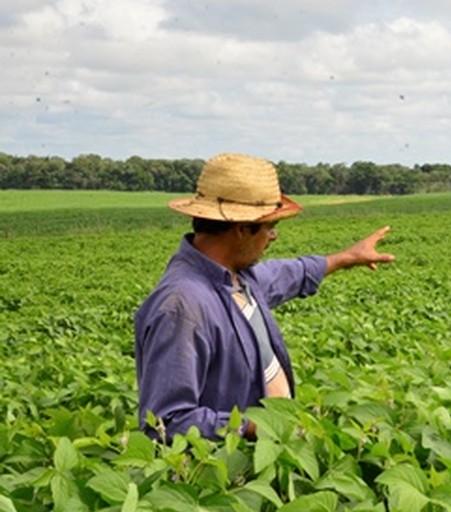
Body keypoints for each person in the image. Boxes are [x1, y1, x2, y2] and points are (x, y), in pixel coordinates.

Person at [135, 153, 395, 441]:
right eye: (270, 227)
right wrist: (254, 427)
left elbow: (289, 273)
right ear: (242, 229)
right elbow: (166, 422)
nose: (273, 237)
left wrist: (346, 257)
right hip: (225, 475)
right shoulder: (182, 307)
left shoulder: (238, 277)